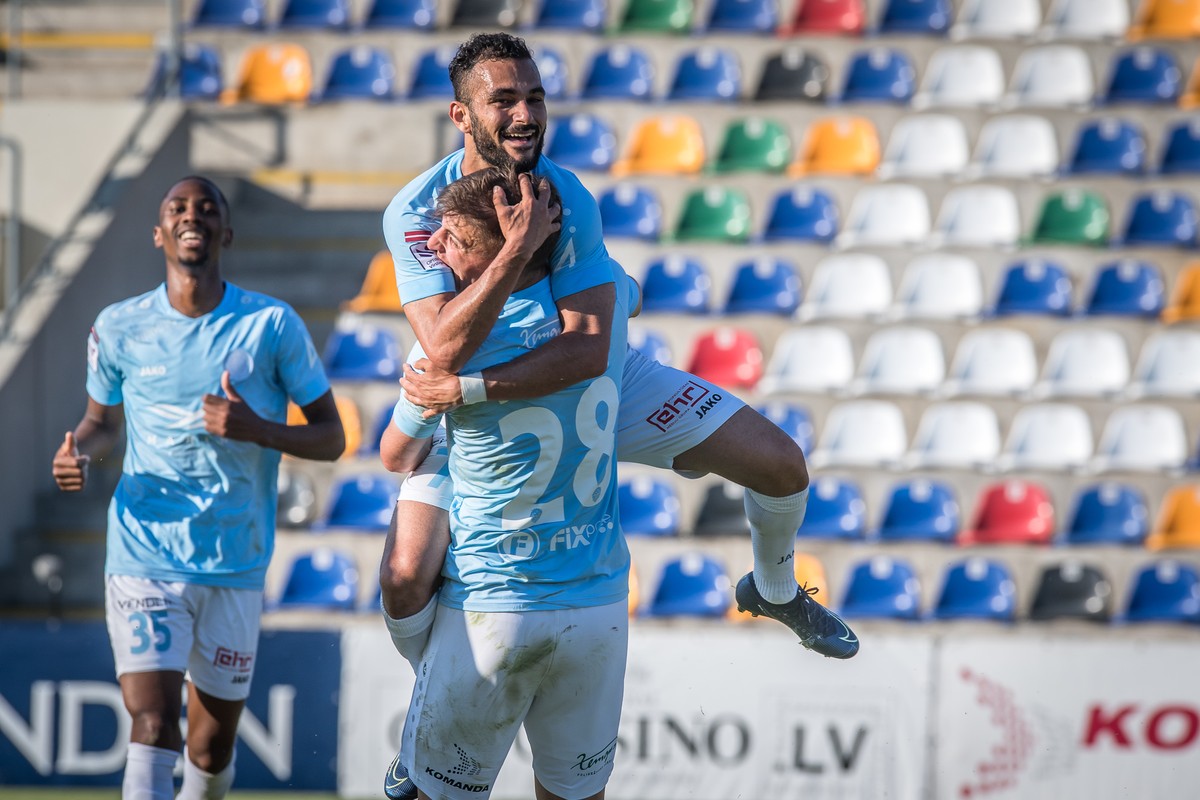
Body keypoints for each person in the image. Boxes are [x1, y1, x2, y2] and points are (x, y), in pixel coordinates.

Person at [378, 32, 857, 798]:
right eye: (504, 99)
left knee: (780, 464)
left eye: (534, 96)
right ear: (461, 116)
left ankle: (773, 588)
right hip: (472, 417)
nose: (526, 113)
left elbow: (590, 352)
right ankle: (425, 715)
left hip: (591, 383)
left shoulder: (566, 195)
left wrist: (464, 381)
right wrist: (499, 285)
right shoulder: (416, 210)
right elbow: (439, 344)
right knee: (405, 575)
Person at [51, 176, 345, 800]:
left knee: (210, 752)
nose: (193, 216)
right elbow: (101, 424)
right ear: (159, 233)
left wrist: (256, 428)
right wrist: (78, 448)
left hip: (233, 558)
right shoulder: (119, 327)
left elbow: (332, 437)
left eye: (207, 208)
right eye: (178, 208)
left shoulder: (270, 324)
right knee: (152, 723)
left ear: (226, 233)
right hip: (144, 549)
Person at [384, 166, 634, 800]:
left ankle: (424, 683)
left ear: (498, 252)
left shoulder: (449, 351)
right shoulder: (603, 317)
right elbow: (627, 291)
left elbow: (396, 454)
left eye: (454, 239)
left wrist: (447, 404)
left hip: (493, 606)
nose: (434, 247)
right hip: (598, 606)